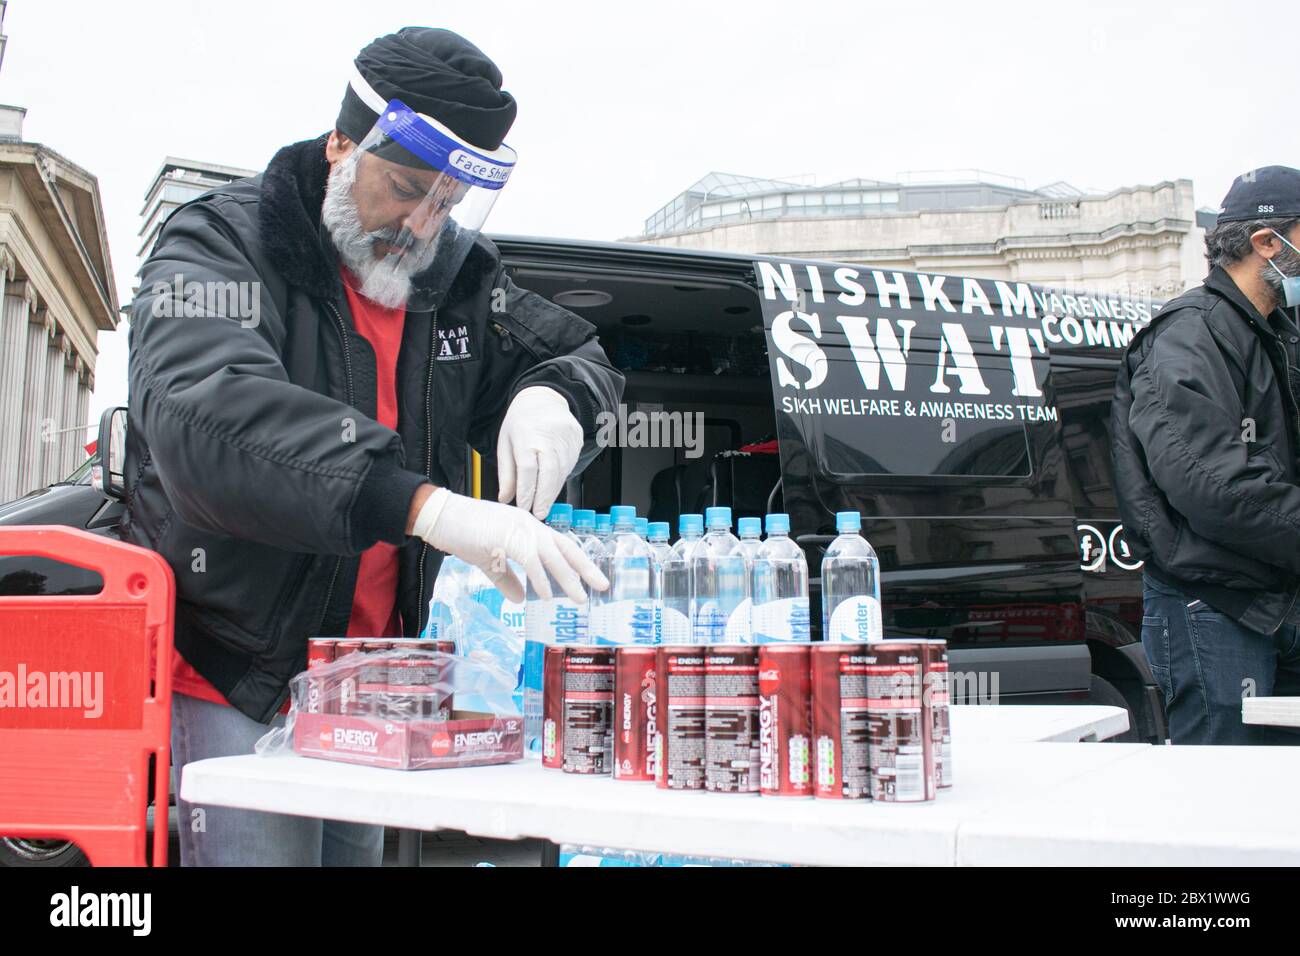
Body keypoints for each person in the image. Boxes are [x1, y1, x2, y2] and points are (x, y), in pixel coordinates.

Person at [124, 27, 623, 864]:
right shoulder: (221, 243)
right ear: (341, 145)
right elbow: (205, 412)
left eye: (448, 203)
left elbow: (578, 352)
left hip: (373, 686)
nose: (422, 222)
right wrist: (423, 507)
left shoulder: (452, 276)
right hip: (236, 671)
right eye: (404, 188)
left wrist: (557, 393)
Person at [1112, 165, 1300, 745]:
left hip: (1270, 597)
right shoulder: (1190, 333)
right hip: (1211, 606)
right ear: (1269, 243)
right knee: (1219, 802)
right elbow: (1210, 484)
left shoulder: (1273, 331)